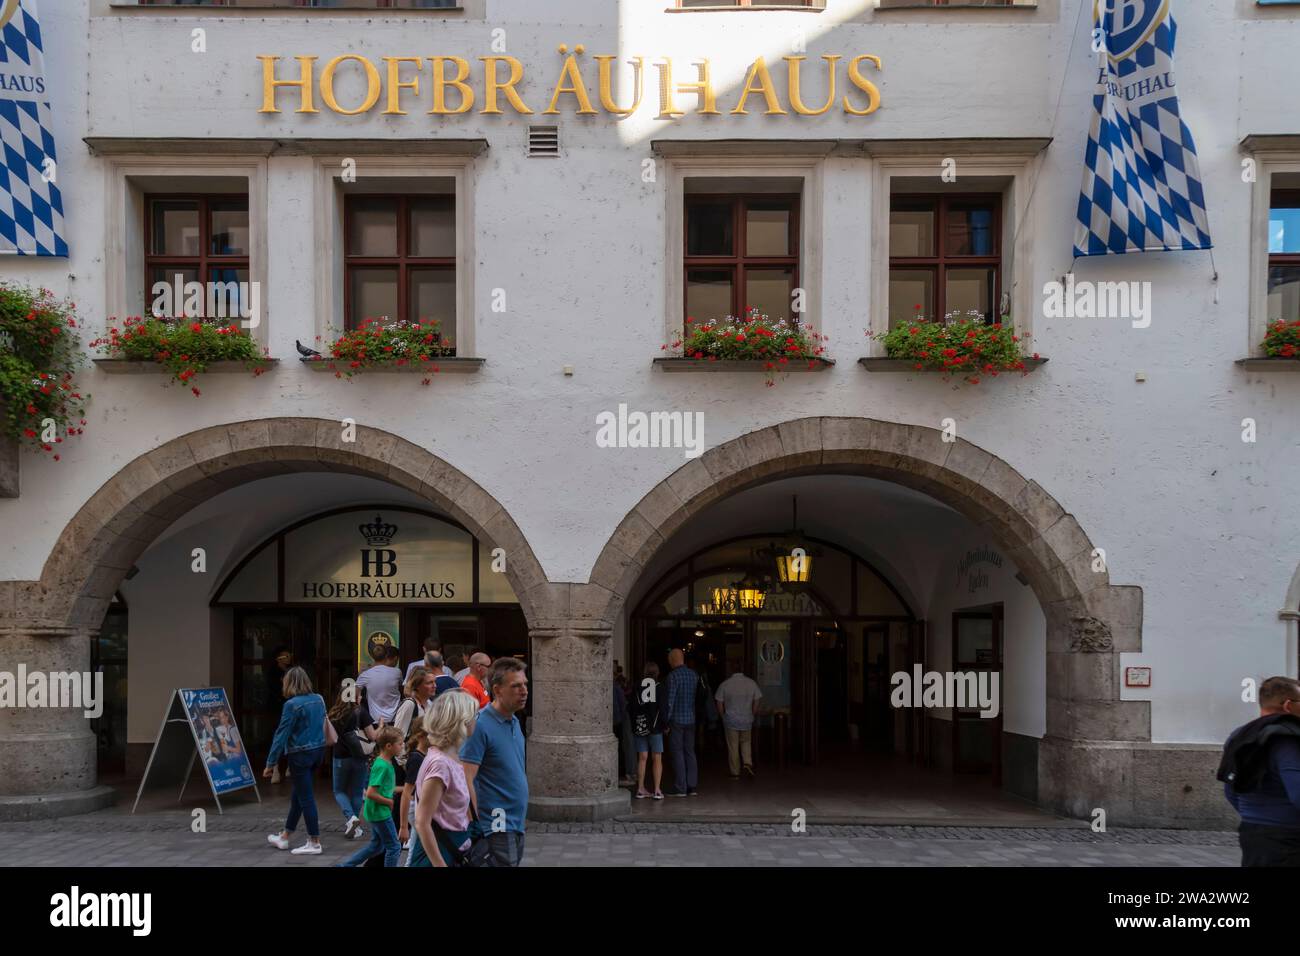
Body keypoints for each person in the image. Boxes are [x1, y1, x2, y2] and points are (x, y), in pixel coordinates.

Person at [1219, 675, 1300, 866]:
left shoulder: (1240, 735)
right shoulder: (1288, 738)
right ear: (1288, 705)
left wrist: (1254, 814)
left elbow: (1231, 789)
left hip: (1252, 831)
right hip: (1289, 837)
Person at [461, 657, 529, 866]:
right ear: (498, 690)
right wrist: (476, 823)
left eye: (525, 684)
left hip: (515, 821)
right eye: (516, 686)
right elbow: (465, 777)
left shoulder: (514, 720)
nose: (524, 690)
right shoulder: (480, 725)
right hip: (496, 824)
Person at [410, 690, 480, 867]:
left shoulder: (449, 757)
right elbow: (422, 822)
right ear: (460, 721)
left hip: (454, 848)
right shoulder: (440, 764)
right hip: (442, 855)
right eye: (474, 715)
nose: (476, 720)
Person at [264, 666, 328, 855]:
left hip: (299, 754)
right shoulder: (319, 699)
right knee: (299, 795)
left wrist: (270, 763)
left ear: (288, 683)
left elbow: (281, 735)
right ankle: (285, 836)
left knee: (306, 798)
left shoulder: (291, 705)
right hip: (318, 751)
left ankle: (314, 841)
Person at [338, 727, 403, 867]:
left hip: (375, 811)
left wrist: (406, 789)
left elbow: (386, 788)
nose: (402, 746)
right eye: (400, 744)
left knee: (376, 846)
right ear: (389, 746)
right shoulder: (382, 766)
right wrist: (389, 801)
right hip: (380, 812)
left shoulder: (385, 763)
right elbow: (371, 793)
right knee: (394, 847)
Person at [392, 666, 436, 844]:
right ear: (417, 686)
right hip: (408, 762)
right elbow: (398, 734)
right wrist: (404, 762)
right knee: (404, 796)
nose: (434, 686)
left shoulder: (430, 705)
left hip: (422, 760)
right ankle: (399, 833)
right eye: (429, 683)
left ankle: (413, 832)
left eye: (434, 682)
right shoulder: (410, 705)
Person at [328, 686, 369, 841]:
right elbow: (372, 734)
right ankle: (356, 827)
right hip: (359, 757)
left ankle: (351, 818)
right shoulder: (361, 712)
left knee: (339, 791)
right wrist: (382, 726)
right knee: (357, 792)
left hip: (340, 757)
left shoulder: (334, 714)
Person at [715, 663, 764, 778]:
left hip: (731, 720)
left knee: (733, 746)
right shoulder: (751, 683)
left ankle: (735, 772)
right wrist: (753, 712)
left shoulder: (725, 684)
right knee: (746, 742)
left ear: (731, 671)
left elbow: (719, 702)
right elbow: (757, 699)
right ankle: (747, 762)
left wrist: (723, 716)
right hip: (747, 719)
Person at [664, 648, 700, 797]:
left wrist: (665, 722)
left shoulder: (672, 676)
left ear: (672, 660)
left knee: (677, 752)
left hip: (677, 720)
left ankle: (681, 787)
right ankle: (692, 786)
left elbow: (670, 702)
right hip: (691, 719)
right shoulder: (694, 675)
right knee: (690, 752)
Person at [630, 661, 665, 800]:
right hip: (655, 727)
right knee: (657, 757)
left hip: (640, 725)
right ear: (657, 672)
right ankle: (657, 790)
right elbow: (663, 708)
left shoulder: (638, 686)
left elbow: (631, 707)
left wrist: (634, 724)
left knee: (642, 758)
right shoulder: (659, 686)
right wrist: (665, 724)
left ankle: (640, 788)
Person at [399, 724, 430, 864]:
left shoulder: (426, 755)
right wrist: (403, 826)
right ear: (421, 737)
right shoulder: (416, 758)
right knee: (414, 852)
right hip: (415, 807)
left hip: (420, 806)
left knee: (418, 848)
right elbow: (406, 793)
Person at [356, 643, 403, 724]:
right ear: (386, 656)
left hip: (376, 721)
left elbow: (356, 695)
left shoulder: (365, 675)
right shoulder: (397, 672)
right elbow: (401, 686)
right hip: (395, 719)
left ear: (372, 657)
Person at [265, 648, 293, 783]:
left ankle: (289, 766)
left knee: (289, 736)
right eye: (284, 656)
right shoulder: (272, 673)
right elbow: (273, 689)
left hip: (288, 706)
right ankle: (275, 768)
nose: (287, 659)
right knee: (277, 736)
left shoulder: (291, 673)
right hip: (276, 708)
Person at [612, 665, 634, 786]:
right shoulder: (618, 686)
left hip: (618, 720)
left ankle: (626, 772)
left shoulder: (615, 686)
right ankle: (626, 772)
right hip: (620, 720)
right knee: (623, 747)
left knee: (622, 746)